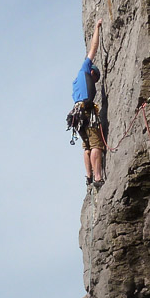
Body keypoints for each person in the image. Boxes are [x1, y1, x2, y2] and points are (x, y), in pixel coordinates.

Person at [67, 19, 105, 188]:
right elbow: (94, 47)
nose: (94, 81)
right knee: (96, 144)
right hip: (86, 112)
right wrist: (97, 27)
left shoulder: (76, 82)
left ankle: (88, 177)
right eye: (95, 77)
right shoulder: (85, 68)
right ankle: (97, 178)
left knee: (86, 146)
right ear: (92, 72)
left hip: (77, 116)